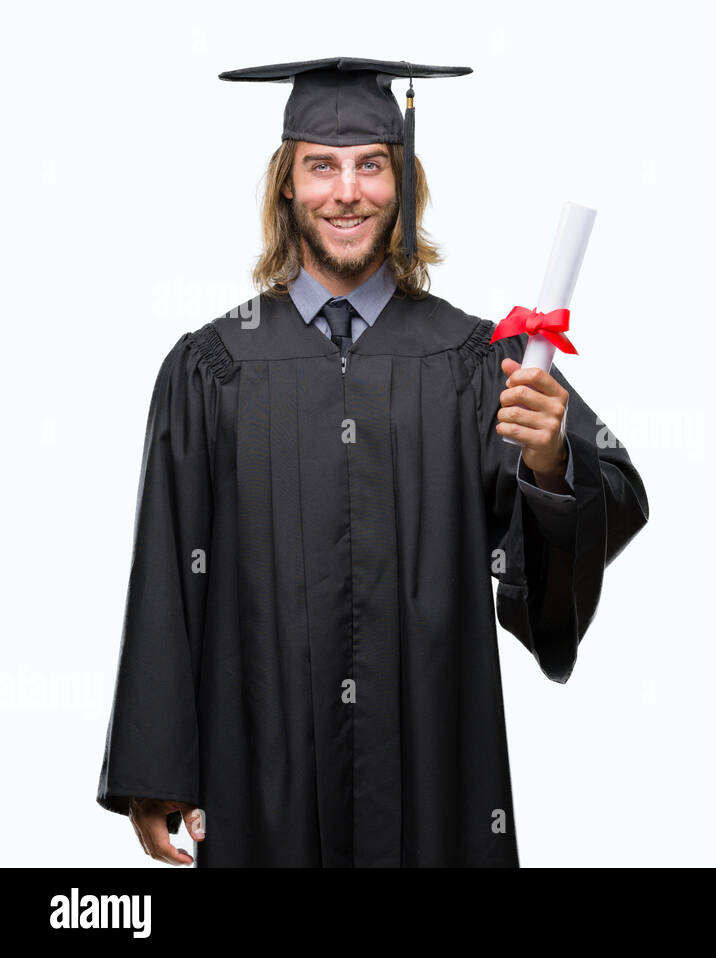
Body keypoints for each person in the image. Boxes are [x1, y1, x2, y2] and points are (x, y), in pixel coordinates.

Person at [95, 57, 649, 867]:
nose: (345, 191)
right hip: (259, 769)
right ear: (287, 183)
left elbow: (618, 491)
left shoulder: (478, 362)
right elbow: (166, 575)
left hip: (434, 773)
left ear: (402, 183)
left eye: (370, 166)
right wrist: (155, 767)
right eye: (321, 165)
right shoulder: (212, 367)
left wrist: (552, 460)